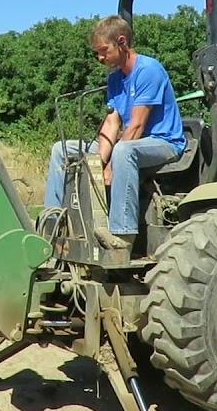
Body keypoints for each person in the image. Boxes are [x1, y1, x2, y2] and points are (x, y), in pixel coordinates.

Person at [43, 15, 186, 249]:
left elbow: (137, 126)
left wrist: (109, 167)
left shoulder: (149, 70)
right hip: (129, 144)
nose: (100, 58)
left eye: (103, 51)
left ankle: (123, 235)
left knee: (123, 150)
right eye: (96, 53)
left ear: (122, 42)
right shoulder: (115, 79)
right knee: (63, 149)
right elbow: (111, 122)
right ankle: (52, 223)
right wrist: (98, 161)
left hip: (163, 142)